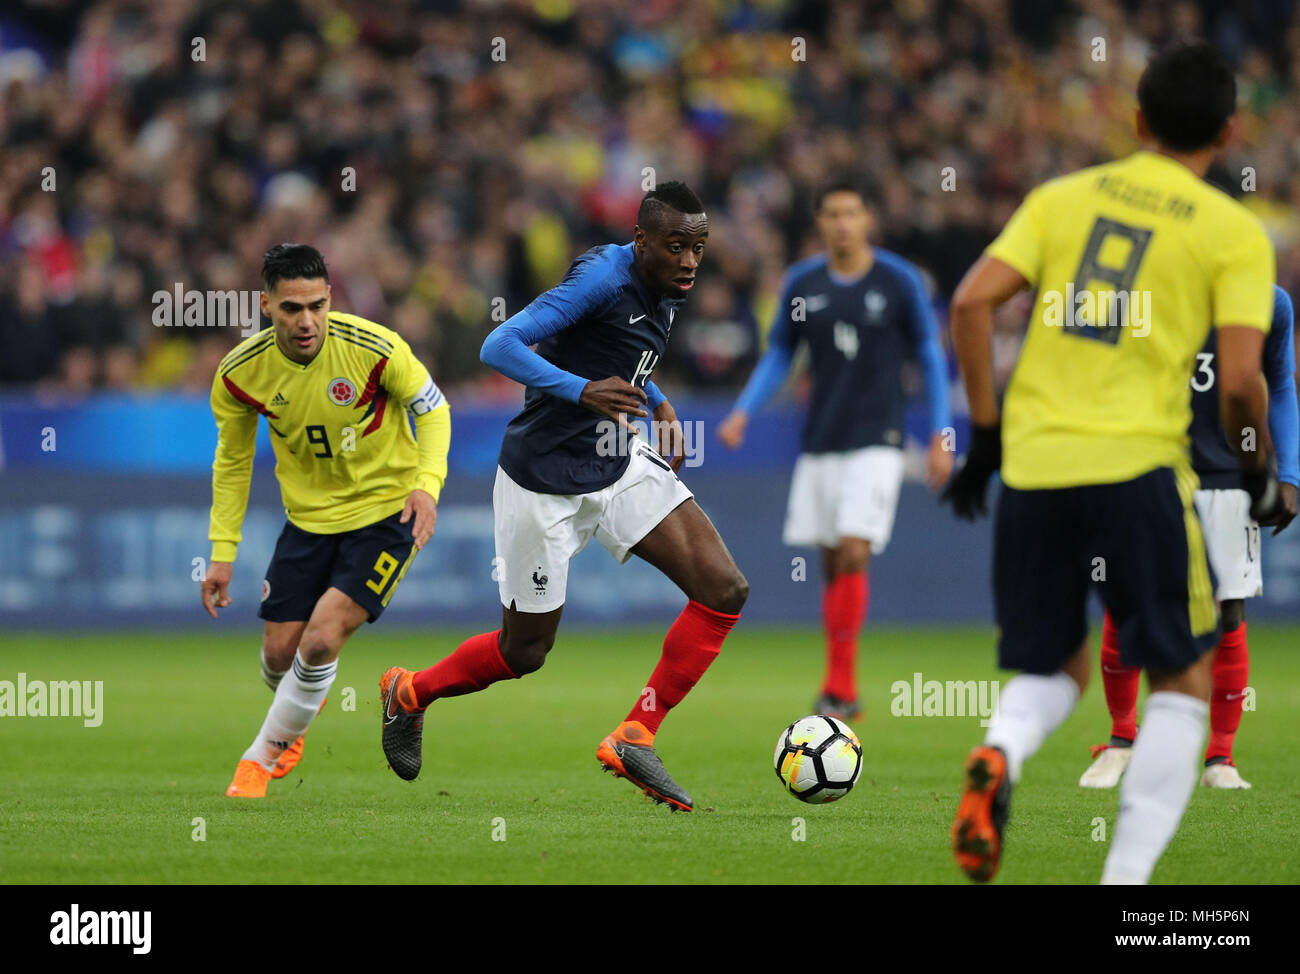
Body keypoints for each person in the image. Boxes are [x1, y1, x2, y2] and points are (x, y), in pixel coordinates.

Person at [940, 42, 1282, 884]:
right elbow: (1242, 383)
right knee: (1183, 676)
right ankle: (1124, 883)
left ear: (1136, 121)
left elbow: (972, 303)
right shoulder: (1234, 233)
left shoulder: (1060, 198)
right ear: (1230, 132)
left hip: (1034, 468)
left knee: (1052, 663)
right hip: (1139, 471)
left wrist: (985, 436)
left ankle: (1001, 752)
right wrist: (1260, 469)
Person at [378, 182, 747, 812]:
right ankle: (410, 692)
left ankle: (636, 733)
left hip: (614, 459)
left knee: (723, 590)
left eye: (699, 246)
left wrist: (656, 401)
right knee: (524, 653)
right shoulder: (600, 278)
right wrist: (580, 392)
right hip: (541, 480)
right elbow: (498, 346)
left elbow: (623, 352)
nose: (690, 260)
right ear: (641, 242)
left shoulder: (669, 285)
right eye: (677, 246)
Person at [202, 243, 450, 798]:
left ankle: (257, 761)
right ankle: (291, 728)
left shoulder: (376, 348)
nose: (307, 320)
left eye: (316, 305)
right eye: (292, 308)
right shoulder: (242, 374)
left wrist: (426, 488)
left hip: (389, 513)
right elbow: (233, 461)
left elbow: (433, 409)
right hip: (309, 522)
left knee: (320, 639)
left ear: (330, 298)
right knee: (277, 655)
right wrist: (222, 551)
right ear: (267, 306)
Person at [718, 180, 952, 720]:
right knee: (829, 561)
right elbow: (781, 353)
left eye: (851, 212)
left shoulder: (899, 281)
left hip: (879, 438)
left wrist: (942, 434)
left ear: (868, 217)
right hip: (821, 438)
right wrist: (743, 412)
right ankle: (837, 685)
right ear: (820, 222)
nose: (842, 222)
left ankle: (841, 688)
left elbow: (929, 356)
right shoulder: (802, 283)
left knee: (852, 547)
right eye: (831, 213)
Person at [1080, 284, 1297, 790]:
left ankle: (1220, 758)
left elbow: (1281, 387)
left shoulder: (1267, 299)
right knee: (1128, 602)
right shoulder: (1142, 288)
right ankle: (1121, 741)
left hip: (1228, 476)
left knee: (1228, 613)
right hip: (1147, 469)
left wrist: (1290, 475)